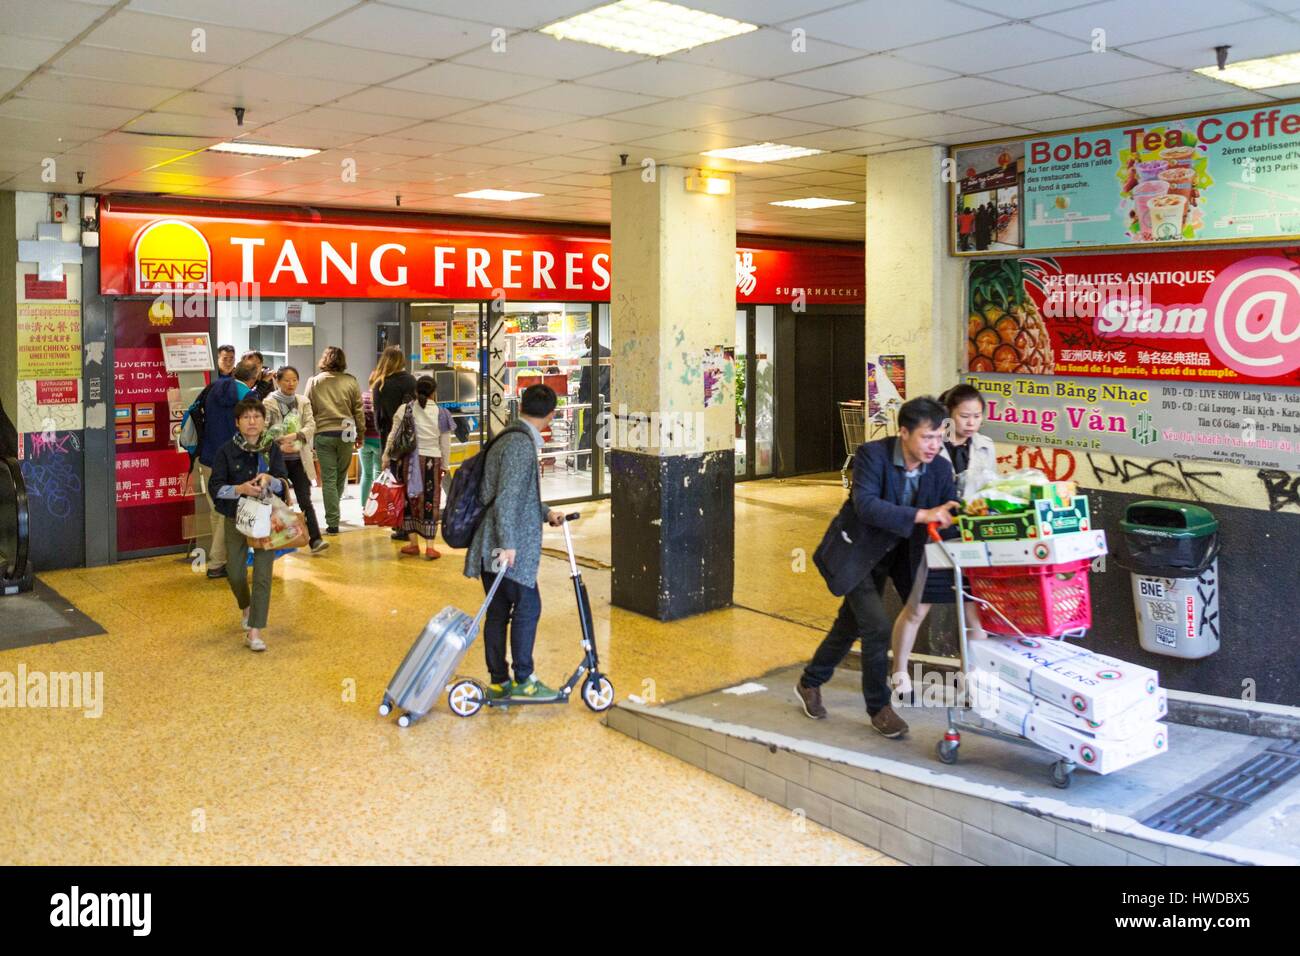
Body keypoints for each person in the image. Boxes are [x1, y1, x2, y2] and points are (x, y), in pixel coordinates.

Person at [794, 397, 960, 740]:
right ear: (904, 432)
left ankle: (809, 682)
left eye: (939, 437)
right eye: (926, 437)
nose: (934, 445)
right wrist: (922, 515)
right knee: (877, 627)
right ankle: (879, 708)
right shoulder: (873, 455)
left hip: (895, 558)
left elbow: (947, 512)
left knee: (848, 626)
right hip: (855, 552)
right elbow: (866, 505)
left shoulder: (941, 469)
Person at [463, 384, 566, 701]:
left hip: (490, 541)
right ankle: (524, 680)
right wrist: (508, 544)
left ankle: (498, 681)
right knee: (528, 605)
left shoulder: (508, 435)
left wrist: (546, 512)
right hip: (506, 545)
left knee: (497, 610)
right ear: (550, 415)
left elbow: (510, 494)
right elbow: (507, 500)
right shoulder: (521, 446)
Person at [889, 385, 993, 696]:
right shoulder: (930, 446)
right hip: (933, 534)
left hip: (972, 534)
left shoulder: (986, 446)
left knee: (975, 609)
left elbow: (990, 487)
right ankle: (899, 672)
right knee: (918, 608)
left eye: (977, 416)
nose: (971, 422)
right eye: (964, 416)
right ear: (947, 415)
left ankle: (972, 676)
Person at [209, 395, 288, 652]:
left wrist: (270, 480)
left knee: (263, 575)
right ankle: (246, 606)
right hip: (237, 517)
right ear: (237, 423)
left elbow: (284, 483)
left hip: (267, 519)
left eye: (257, 417)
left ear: (264, 421)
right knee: (235, 572)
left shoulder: (272, 449)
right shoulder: (226, 451)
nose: (252, 422)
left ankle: (255, 632)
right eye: (246, 417)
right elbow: (216, 488)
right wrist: (239, 488)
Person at [198, 358, 259, 580]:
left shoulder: (212, 388)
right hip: (235, 461)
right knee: (230, 512)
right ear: (254, 377)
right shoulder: (249, 397)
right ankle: (218, 562)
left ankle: (221, 560)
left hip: (207, 457)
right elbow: (253, 432)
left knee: (217, 510)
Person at [383, 376, 453, 560]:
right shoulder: (442, 413)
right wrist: (445, 464)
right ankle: (430, 547)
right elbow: (445, 443)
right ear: (434, 393)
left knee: (409, 500)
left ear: (416, 391)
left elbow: (393, 435)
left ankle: (413, 544)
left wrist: (386, 457)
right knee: (431, 501)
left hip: (409, 461)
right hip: (433, 461)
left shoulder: (404, 409)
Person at [263, 366, 327, 554]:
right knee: (277, 500)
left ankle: (315, 539)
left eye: (294, 380)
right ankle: (279, 540)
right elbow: (264, 429)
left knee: (304, 499)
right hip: (277, 459)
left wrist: (296, 435)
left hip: (299, 458)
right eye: (286, 380)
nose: (291, 384)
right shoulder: (269, 403)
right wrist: (278, 443)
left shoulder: (303, 401)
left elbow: (311, 425)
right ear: (278, 381)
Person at [303, 346, 364, 536]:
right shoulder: (351, 381)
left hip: (323, 433)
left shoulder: (314, 382)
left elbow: (306, 407)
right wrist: (360, 433)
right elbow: (358, 410)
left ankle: (332, 522)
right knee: (340, 476)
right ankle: (334, 515)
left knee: (329, 478)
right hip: (346, 432)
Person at [371, 346, 418, 542]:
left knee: (394, 480)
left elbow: (378, 417)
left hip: (389, 436)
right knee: (409, 479)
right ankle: (411, 524)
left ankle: (398, 524)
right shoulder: (411, 380)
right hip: (411, 437)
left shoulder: (380, 384)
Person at [576, 331, 610, 471]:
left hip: (601, 400)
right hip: (596, 400)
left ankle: (583, 461)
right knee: (599, 430)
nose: (584, 342)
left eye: (586, 339)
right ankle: (591, 461)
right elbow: (584, 382)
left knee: (591, 430)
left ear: (592, 338)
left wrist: (588, 399)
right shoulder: (587, 356)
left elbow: (601, 380)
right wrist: (582, 399)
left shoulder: (606, 355)